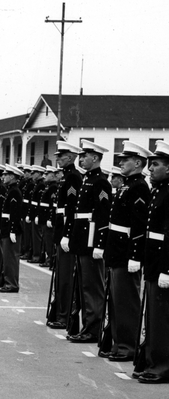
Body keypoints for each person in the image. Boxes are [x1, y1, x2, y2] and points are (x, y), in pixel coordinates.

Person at [100, 142, 150, 361]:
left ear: (138, 163)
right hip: (117, 251)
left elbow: (138, 226)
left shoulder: (139, 187)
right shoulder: (127, 186)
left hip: (125, 253)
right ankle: (118, 344)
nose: (120, 162)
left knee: (126, 302)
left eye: (125, 160)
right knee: (116, 301)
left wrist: (135, 256)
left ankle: (127, 347)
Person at [62, 140, 112, 343]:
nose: (81, 159)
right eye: (80, 156)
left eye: (85, 156)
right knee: (84, 286)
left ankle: (93, 329)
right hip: (82, 240)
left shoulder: (100, 182)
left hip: (91, 241)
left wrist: (100, 244)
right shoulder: (87, 180)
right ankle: (87, 326)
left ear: (96, 158)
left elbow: (102, 214)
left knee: (92, 287)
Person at [135, 141, 169, 383]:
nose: (150, 169)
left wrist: (166, 269)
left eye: (155, 164)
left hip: (162, 264)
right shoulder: (158, 191)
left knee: (160, 318)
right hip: (153, 261)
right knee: (152, 317)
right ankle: (150, 361)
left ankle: (161, 367)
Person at [46, 141, 83, 329]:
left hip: (66, 230)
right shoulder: (65, 177)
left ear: (70, 157)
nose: (58, 159)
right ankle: (59, 311)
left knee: (66, 276)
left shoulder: (73, 178)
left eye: (61, 156)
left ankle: (64, 315)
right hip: (60, 228)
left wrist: (67, 234)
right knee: (61, 274)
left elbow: (71, 207)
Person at [0, 164, 24, 292]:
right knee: (7, 258)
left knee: (11, 258)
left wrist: (12, 230)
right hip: (7, 229)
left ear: (12, 177)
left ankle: (12, 284)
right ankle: (7, 282)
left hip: (12, 230)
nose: (3, 177)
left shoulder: (15, 191)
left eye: (6, 175)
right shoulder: (10, 190)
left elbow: (15, 213)